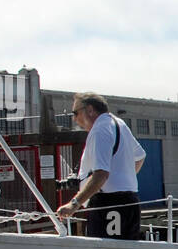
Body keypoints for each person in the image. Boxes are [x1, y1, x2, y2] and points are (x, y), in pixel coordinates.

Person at [56, 92, 146, 239]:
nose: (74, 119)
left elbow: (101, 174)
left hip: (109, 203)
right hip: (129, 201)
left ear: (90, 110)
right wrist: (123, 178)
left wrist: (74, 204)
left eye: (75, 113)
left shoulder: (100, 130)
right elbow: (140, 156)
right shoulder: (119, 124)